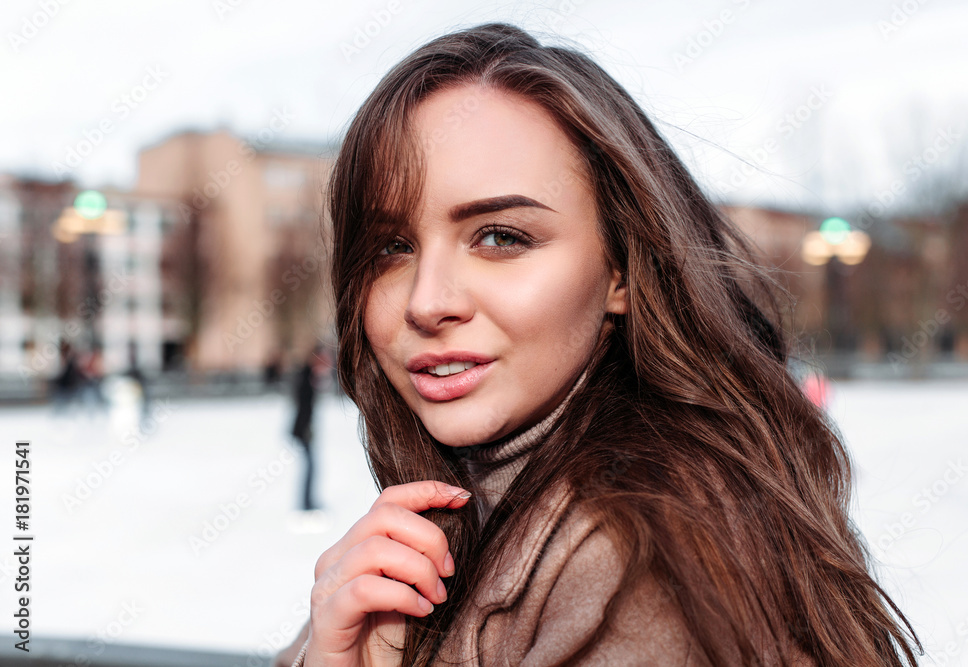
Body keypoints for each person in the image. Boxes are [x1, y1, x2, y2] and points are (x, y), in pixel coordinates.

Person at [274, 23, 921, 667]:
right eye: (393, 247)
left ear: (620, 271)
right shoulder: (478, 519)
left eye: (500, 237)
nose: (427, 300)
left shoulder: (645, 567)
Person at [290, 346, 327, 512]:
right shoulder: (306, 376)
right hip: (302, 430)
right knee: (310, 467)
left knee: (311, 467)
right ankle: (306, 503)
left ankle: (308, 502)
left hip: (304, 429)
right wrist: (306, 429)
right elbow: (303, 406)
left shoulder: (309, 375)